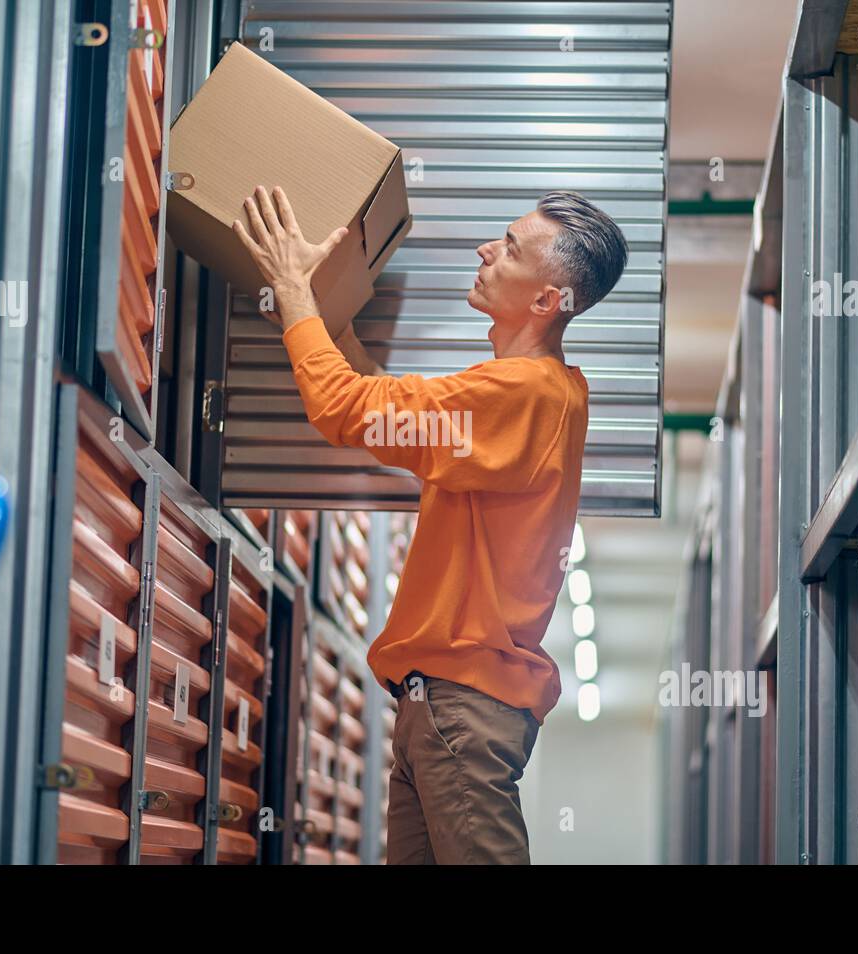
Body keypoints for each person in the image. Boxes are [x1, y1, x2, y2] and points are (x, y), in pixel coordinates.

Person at [232, 185, 627, 864]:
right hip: (438, 706)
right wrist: (326, 314)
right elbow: (378, 406)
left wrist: (293, 290)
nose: (485, 251)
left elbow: (341, 410)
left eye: (508, 247)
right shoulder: (530, 395)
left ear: (546, 300)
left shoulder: (521, 394)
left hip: (463, 707)